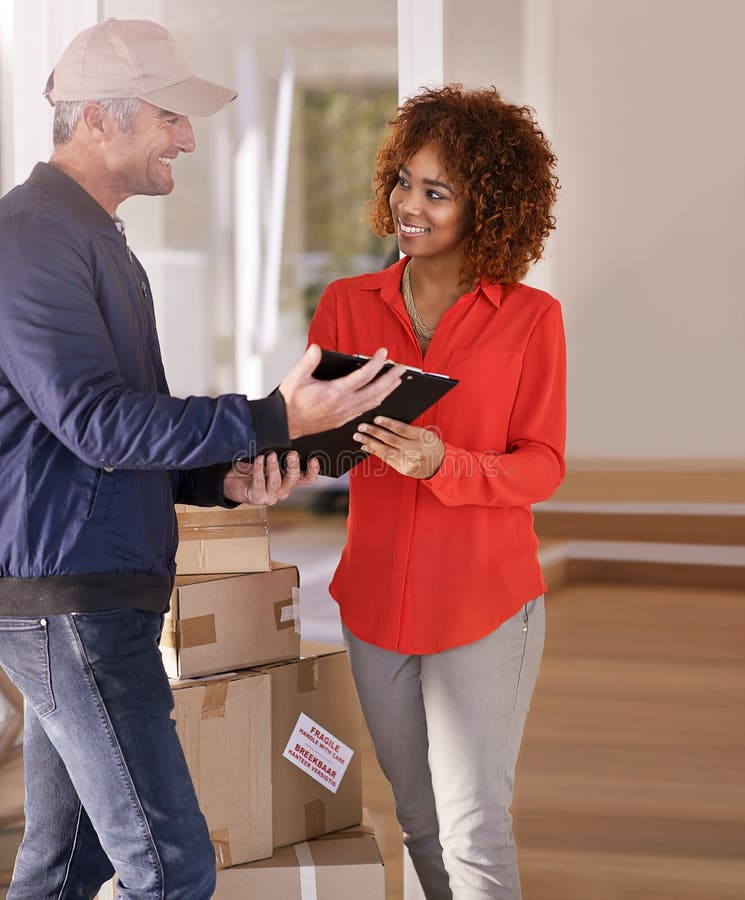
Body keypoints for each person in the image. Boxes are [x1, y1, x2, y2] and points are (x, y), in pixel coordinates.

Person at [0, 18, 404, 900]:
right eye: (169, 115)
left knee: (70, 865)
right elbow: (97, 424)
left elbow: (108, 437)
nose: (188, 135)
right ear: (98, 121)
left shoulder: (94, 237)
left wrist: (222, 475)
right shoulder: (32, 238)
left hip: (92, 592)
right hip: (71, 601)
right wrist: (271, 412)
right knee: (172, 867)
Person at [308, 85, 566, 899]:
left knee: (473, 829)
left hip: (483, 605)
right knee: (415, 821)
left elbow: (543, 463)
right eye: (402, 182)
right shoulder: (347, 304)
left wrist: (444, 464)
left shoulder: (531, 318)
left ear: (486, 206)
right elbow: (320, 445)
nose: (407, 206)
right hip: (373, 603)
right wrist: (279, 458)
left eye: (436, 191)